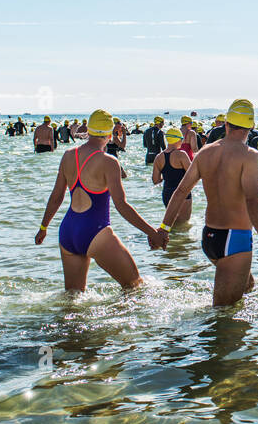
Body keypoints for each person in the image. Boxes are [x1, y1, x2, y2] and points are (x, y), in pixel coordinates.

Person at [156, 99, 258, 307]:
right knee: (225, 321)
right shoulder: (250, 156)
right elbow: (253, 200)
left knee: (248, 287)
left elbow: (180, 192)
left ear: (227, 124)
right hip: (235, 240)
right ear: (251, 127)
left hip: (209, 238)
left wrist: (164, 228)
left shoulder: (205, 152)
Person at [36, 109, 164, 292]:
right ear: (110, 133)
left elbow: (56, 196)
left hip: (68, 232)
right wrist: (152, 232)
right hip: (96, 231)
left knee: (72, 298)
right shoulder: (109, 162)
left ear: (89, 130)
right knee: (135, 287)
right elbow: (122, 205)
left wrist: (43, 227)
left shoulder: (68, 155)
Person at [152, 127, 193, 229]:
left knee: (171, 225)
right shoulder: (181, 155)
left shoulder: (159, 157)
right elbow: (192, 174)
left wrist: (167, 176)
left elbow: (155, 180)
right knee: (183, 226)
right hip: (182, 192)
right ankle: (180, 245)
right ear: (178, 139)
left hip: (167, 193)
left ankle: (169, 242)